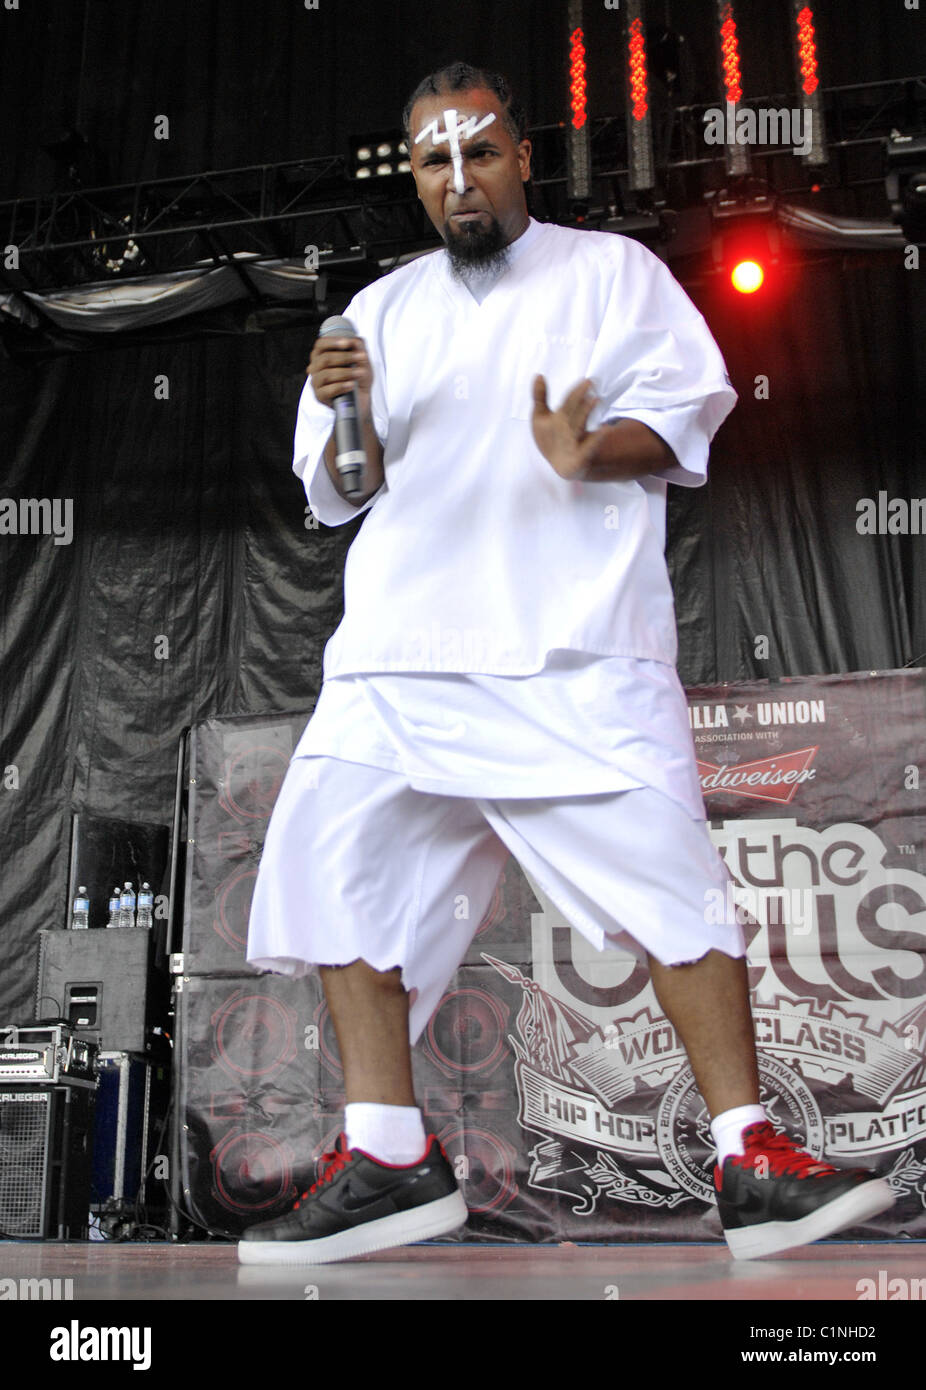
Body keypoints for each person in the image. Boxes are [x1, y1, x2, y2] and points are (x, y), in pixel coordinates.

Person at [239, 62, 894, 1266]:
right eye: (433, 164)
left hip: (570, 646)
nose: (457, 180)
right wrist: (347, 416)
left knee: (666, 888)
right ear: (417, 181)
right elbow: (338, 494)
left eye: (477, 153)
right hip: (399, 655)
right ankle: (386, 1151)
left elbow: (685, 414)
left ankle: (751, 1155)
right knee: (332, 872)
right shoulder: (375, 313)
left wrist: (588, 449)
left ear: (521, 156)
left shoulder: (612, 275)